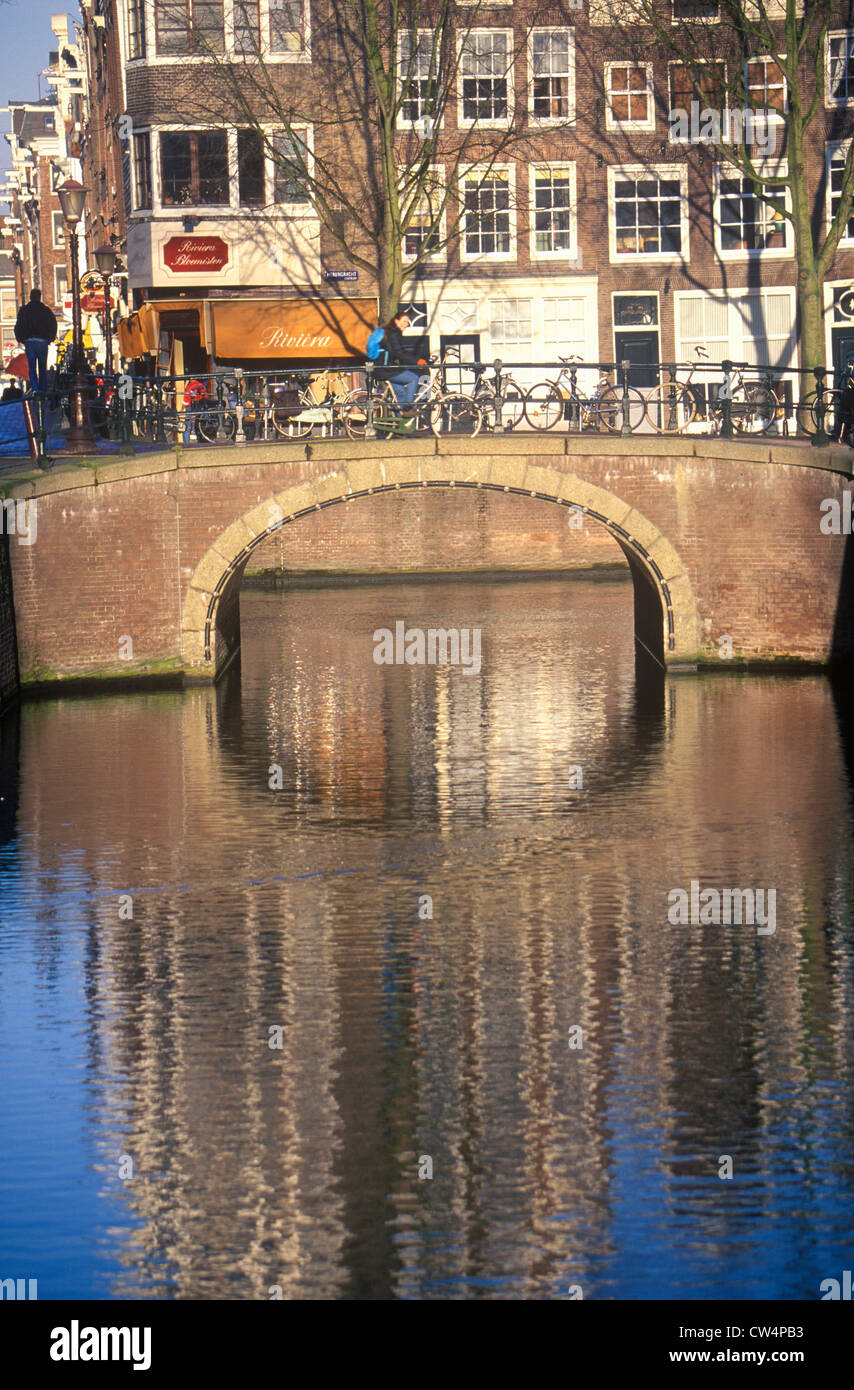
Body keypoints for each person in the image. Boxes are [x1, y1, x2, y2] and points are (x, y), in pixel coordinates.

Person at [381, 309, 429, 408]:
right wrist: (417, 361)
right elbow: (399, 352)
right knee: (413, 379)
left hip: (385, 368)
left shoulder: (392, 333)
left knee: (401, 397)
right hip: (386, 369)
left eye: (408, 322)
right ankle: (408, 408)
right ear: (396, 321)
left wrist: (415, 360)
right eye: (404, 321)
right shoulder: (394, 334)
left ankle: (400, 421)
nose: (407, 324)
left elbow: (399, 353)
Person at [14, 288, 58, 393]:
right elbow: (53, 324)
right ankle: (43, 390)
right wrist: (50, 338)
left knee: (32, 367)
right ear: (40, 297)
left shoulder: (24, 311)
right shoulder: (46, 311)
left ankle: (35, 389)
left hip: (30, 341)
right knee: (43, 367)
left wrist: (21, 339)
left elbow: (18, 326)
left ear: (30, 297)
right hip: (42, 342)